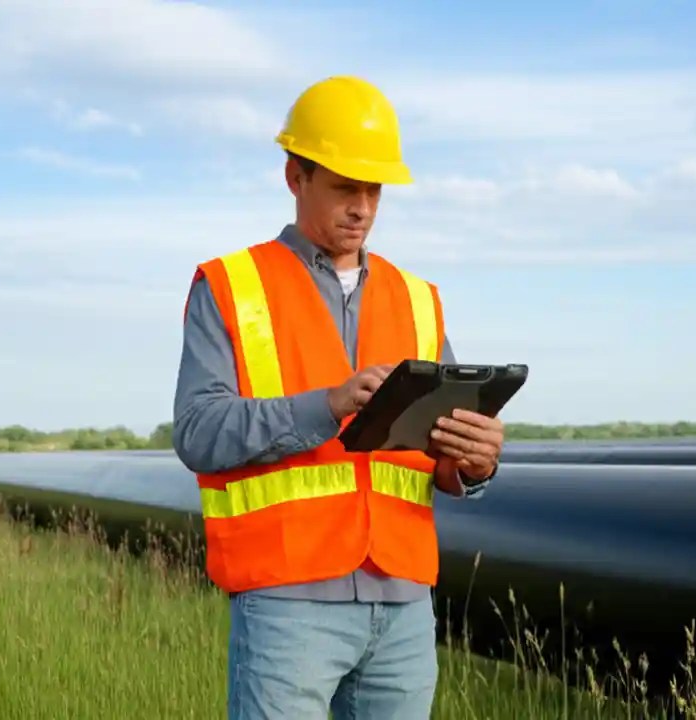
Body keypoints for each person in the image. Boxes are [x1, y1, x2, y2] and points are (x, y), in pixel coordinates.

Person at [172, 75, 507, 719]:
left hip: (404, 604)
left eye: (373, 190)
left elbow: (443, 448)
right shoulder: (230, 286)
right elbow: (197, 431)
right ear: (295, 176)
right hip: (287, 603)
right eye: (344, 187)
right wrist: (326, 403)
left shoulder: (417, 298)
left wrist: (475, 463)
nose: (362, 207)